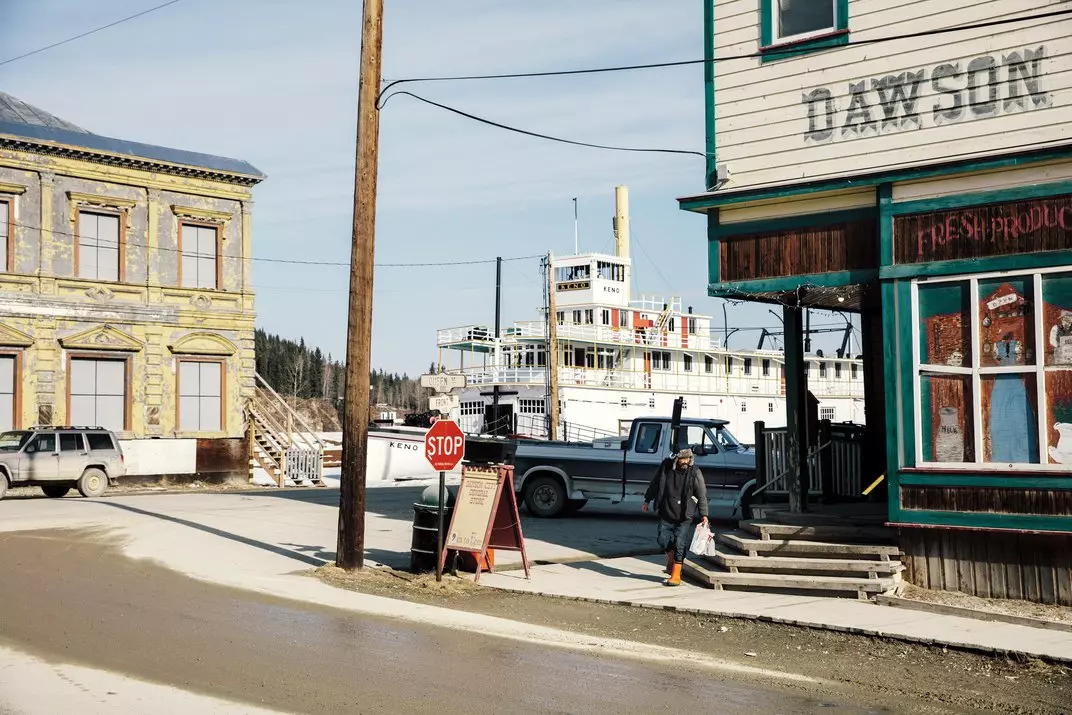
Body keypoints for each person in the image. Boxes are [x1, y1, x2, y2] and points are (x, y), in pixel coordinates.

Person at [642, 448, 708, 587]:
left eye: (688, 459)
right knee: (662, 539)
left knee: (680, 541)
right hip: (666, 510)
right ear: (675, 459)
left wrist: (704, 514)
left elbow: (701, 493)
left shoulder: (694, 471)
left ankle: (676, 574)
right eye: (682, 459)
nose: (685, 461)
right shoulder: (666, 467)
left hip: (685, 514)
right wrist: (647, 500)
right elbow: (655, 484)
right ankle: (671, 556)